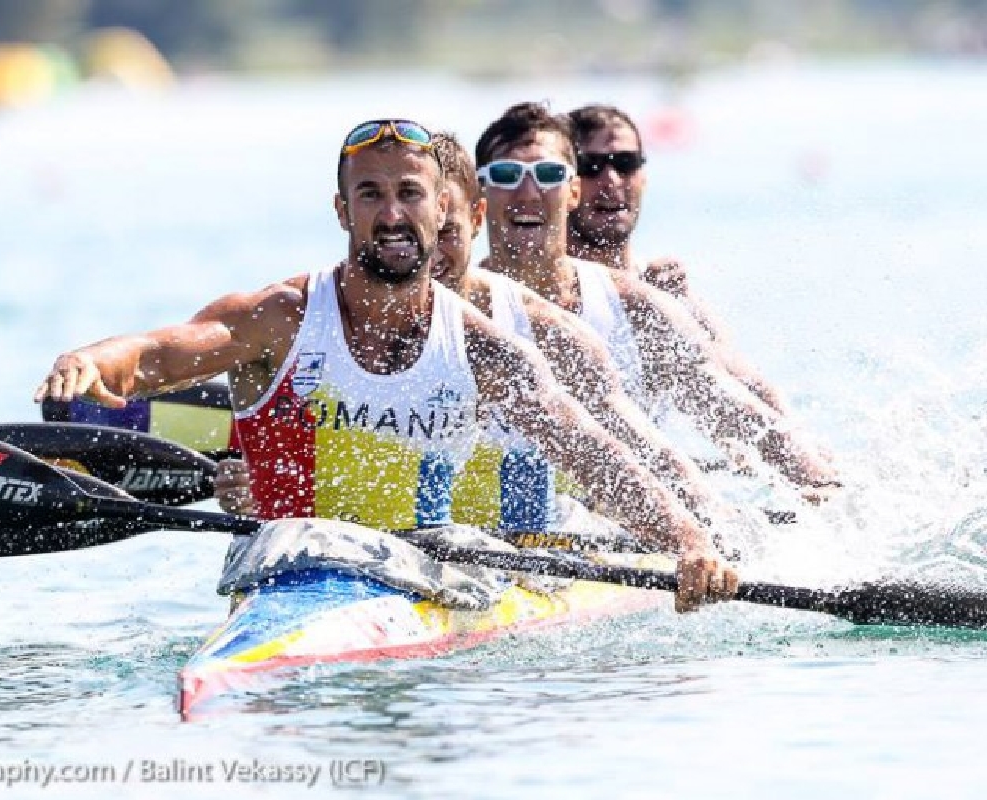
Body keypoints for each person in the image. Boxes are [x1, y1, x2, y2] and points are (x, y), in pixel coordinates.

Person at [35, 117, 736, 611]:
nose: (392, 213)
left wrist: (688, 541)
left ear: (444, 212)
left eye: (409, 194)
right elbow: (151, 357)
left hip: (435, 578)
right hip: (290, 571)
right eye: (371, 194)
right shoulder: (281, 317)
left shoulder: (488, 349)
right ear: (342, 210)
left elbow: (591, 454)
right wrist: (87, 362)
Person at [217, 130, 733, 534]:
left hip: (527, 546)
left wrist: (709, 536)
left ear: (472, 219)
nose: (425, 251)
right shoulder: (329, 327)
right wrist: (254, 480)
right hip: (377, 550)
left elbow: (631, 453)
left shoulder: (536, 334)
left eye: (445, 235)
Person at [473, 102, 839, 492]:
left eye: (547, 175)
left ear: (570, 191)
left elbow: (736, 402)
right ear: (479, 196)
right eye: (507, 176)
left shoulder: (645, 303)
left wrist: (819, 480)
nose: (528, 192)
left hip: (616, 517)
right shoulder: (456, 307)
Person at [565, 103, 788, 415]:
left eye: (626, 163)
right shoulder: (541, 290)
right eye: (590, 166)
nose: (611, 180)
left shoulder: (661, 290)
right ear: (566, 186)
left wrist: (685, 305)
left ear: (643, 177)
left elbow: (742, 394)